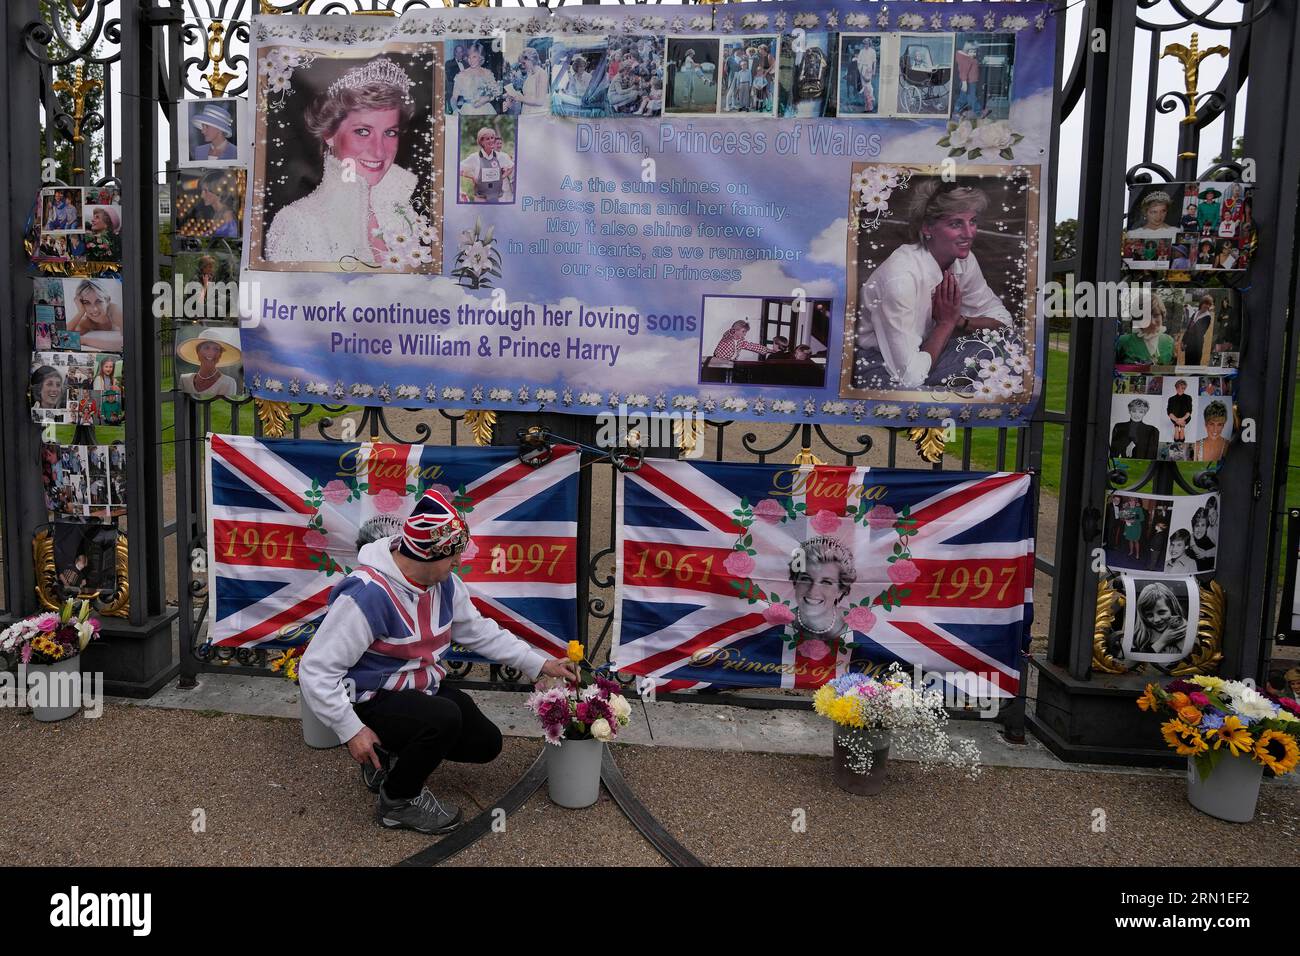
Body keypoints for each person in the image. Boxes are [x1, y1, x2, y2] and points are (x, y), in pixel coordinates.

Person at [298, 489, 579, 833]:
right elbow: (316, 669)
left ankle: (389, 755)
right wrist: (351, 730)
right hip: (368, 699)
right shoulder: (366, 594)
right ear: (427, 556)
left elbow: (478, 631)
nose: (458, 563)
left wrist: (540, 664)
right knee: (442, 719)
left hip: (420, 689)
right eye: (453, 556)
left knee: (485, 743)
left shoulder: (444, 582)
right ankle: (398, 801)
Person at [265, 56, 425, 268]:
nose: (379, 150)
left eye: (390, 132)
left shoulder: (403, 213)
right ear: (329, 133)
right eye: (362, 131)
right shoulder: (297, 223)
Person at [853, 180, 1011, 390]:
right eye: (956, 224)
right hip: (877, 362)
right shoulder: (900, 278)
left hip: (924, 354)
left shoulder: (963, 259)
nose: (969, 233)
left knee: (1007, 346)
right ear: (927, 227)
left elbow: (1003, 320)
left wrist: (960, 322)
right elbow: (909, 377)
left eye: (972, 221)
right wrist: (945, 324)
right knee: (995, 360)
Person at [790, 536, 855, 641]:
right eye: (806, 579)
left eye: (826, 582)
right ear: (795, 581)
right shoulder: (777, 625)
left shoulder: (856, 629)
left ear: (841, 590)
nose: (813, 591)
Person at [178, 326, 242, 399]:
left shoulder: (228, 383)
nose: (211, 353)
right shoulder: (184, 379)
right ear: (198, 352)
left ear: (220, 355)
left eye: (216, 349)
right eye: (206, 347)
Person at [459, 126, 515, 203]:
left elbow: (511, 166)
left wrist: (502, 176)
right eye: (487, 139)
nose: (491, 141)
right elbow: (457, 169)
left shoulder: (501, 156)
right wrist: (472, 177)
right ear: (481, 142)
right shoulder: (474, 157)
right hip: (481, 198)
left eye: (492, 138)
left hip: (499, 197)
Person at [1114, 293, 1174, 365]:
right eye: (1146, 317)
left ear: (1162, 315)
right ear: (1138, 318)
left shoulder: (1169, 342)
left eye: (1156, 315)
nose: (1152, 322)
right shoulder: (1123, 342)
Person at [1130, 582, 1188, 655]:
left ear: (1172, 609)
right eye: (1149, 615)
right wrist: (1162, 641)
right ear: (1143, 616)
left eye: (1162, 612)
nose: (1156, 620)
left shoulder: (1188, 630)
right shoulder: (1138, 637)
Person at [65, 279, 123, 351]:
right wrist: (80, 312)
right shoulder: (87, 322)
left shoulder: (115, 311)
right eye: (87, 302)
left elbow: (125, 344)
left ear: (107, 300)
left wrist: (83, 340)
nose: (94, 309)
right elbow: (64, 337)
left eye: (98, 301)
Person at [450, 42, 499, 115]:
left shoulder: (487, 73)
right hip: (467, 110)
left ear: (481, 57)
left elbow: (495, 92)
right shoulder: (461, 75)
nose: (471, 60)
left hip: (486, 109)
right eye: (469, 57)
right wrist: (455, 109)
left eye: (474, 57)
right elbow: (454, 98)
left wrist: (485, 100)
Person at [502, 47, 548, 115]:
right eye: (521, 63)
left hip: (536, 113)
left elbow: (540, 101)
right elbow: (527, 94)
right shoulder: (529, 74)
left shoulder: (541, 74)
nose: (523, 66)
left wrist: (521, 99)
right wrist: (513, 95)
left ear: (531, 60)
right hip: (525, 111)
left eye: (524, 63)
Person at [710, 320, 781, 362]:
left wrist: (769, 350)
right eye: (743, 331)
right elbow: (729, 332)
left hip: (730, 362)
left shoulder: (741, 342)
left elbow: (754, 346)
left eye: (746, 332)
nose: (745, 334)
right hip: (718, 361)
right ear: (736, 330)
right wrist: (734, 329)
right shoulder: (727, 337)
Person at [200, 171, 240, 239]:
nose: (202, 195)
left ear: (217, 191)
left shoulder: (227, 215)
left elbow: (231, 241)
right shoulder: (218, 213)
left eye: (205, 191)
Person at [1180, 294, 1215, 365]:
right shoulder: (1195, 313)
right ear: (1202, 303)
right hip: (1189, 344)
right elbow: (1188, 328)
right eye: (1206, 303)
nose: (1207, 306)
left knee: (1195, 364)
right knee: (1187, 363)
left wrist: (1187, 341)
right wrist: (1183, 341)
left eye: (1209, 304)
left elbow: (1200, 332)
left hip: (1197, 345)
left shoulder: (1207, 317)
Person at [953, 40, 979, 115]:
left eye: (975, 52)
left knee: (964, 98)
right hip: (968, 82)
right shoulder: (968, 60)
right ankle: (978, 112)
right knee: (971, 98)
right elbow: (963, 72)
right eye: (971, 51)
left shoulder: (972, 59)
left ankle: (957, 110)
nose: (973, 53)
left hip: (971, 82)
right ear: (966, 51)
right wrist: (964, 83)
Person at [1190, 508, 1216, 572]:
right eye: (1197, 525)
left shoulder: (1212, 547)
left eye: (1203, 525)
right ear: (1193, 527)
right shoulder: (1187, 545)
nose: (1200, 529)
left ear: (1206, 527)